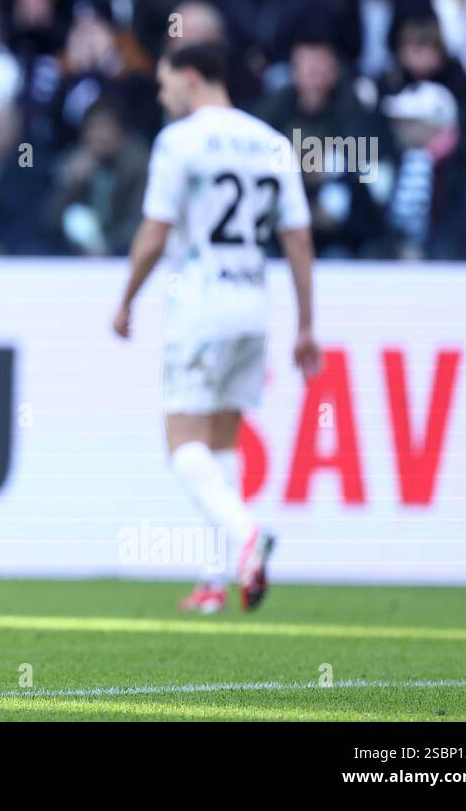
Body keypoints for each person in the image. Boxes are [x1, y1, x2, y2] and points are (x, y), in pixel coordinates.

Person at [111, 43, 322, 613]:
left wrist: (127, 299)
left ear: (192, 79)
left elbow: (154, 235)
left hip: (200, 307)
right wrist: (306, 325)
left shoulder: (179, 142)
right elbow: (298, 239)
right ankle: (213, 582)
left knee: (181, 446)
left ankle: (247, 533)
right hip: (255, 305)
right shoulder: (273, 142)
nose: (162, 94)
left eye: (165, 83)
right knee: (221, 445)